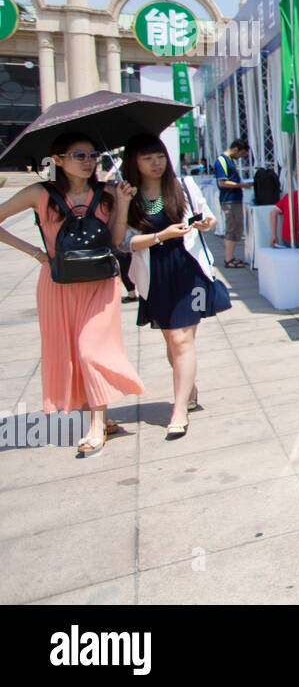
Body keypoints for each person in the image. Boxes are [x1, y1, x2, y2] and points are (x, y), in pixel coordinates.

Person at [0, 131, 144, 456]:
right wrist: (36, 253)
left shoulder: (107, 192)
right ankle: (98, 417)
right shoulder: (40, 193)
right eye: (79, 155)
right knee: (69, 353)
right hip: (57, 285)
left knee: (91, 350)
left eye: (92, 155)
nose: (88, 161)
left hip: (100, 284)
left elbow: (116, 240)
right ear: (59, 160)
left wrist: (121, 205)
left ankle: (96, 425)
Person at [118, 134, 221, 440]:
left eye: (160, 156)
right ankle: (188, 387)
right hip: (155, 272)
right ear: (134, 162)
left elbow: (210, 218)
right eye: (148, 158)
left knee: (182, 340)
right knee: (172, 341)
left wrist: (206, 223)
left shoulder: (183, 186)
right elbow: (124, 243)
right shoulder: (128, 196)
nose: (156, 163)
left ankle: (178, 410)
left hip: (188, 268)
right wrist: (161, 235)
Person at [213, 138, 251, 269]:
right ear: (236, 149)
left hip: (234, 198)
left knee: (236, 228)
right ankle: (228, 259)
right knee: (232, 228)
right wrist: (242, 185)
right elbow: (222, 182)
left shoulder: (228, 161)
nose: (240, 157)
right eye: (241, 154)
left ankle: (231, 257)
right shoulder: (222, 161)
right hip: (229, 199)